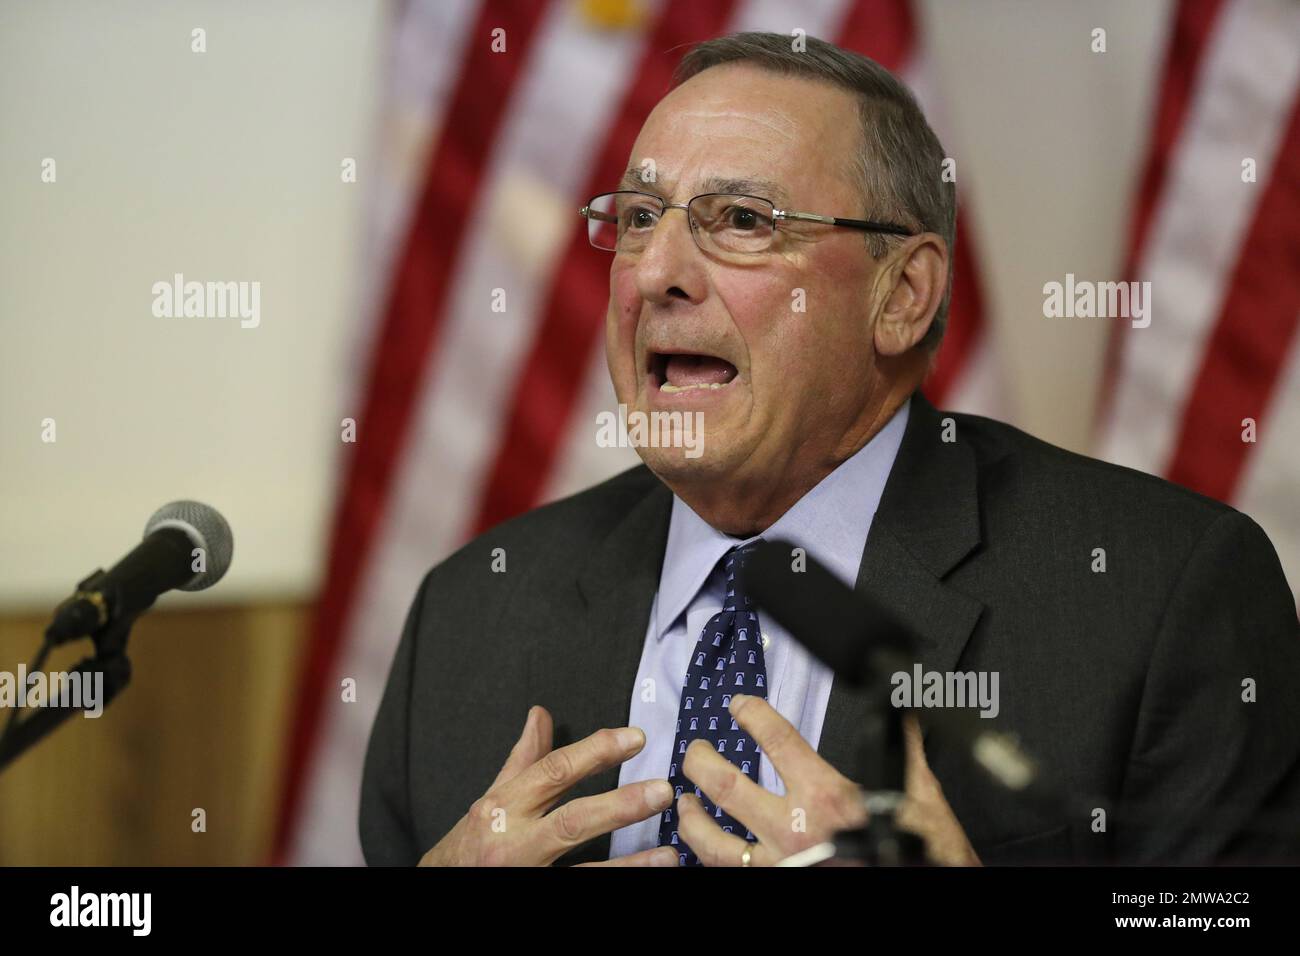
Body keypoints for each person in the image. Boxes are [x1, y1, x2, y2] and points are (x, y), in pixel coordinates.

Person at [359, 31, 1300, 867]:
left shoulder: (1161, 592)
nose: (655, 274)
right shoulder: (471, 607)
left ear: (902, 295)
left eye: (742, 221)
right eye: (639, 219)